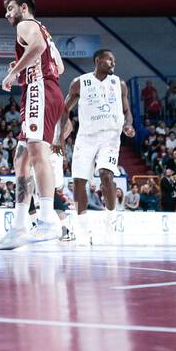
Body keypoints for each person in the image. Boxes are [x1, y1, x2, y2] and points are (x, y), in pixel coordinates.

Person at [0, 0, 66, 249]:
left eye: (10, 8)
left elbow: (38, 49)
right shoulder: (44, 30)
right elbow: (59, 65)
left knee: (36, 152)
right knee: (21, 158)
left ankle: (48, 220)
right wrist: (25, 67)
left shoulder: (25, 25)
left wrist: (14, 73)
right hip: (45, 89)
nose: (7, 14)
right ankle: (19, 226)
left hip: (40, 90)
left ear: (24, 8)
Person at [59, 48, 136, 244]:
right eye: (110, 59)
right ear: (98, 60)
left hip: (110, 137)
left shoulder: (119, 84)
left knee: (106, 175)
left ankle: (110, 222)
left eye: (114, 60)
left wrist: (128, 125)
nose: (113, 63)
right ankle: (83, 228)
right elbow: (65, 110)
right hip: (85, 137)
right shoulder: (80, 83)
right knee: (78, 183)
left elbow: (127, 111)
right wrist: (60, 137)